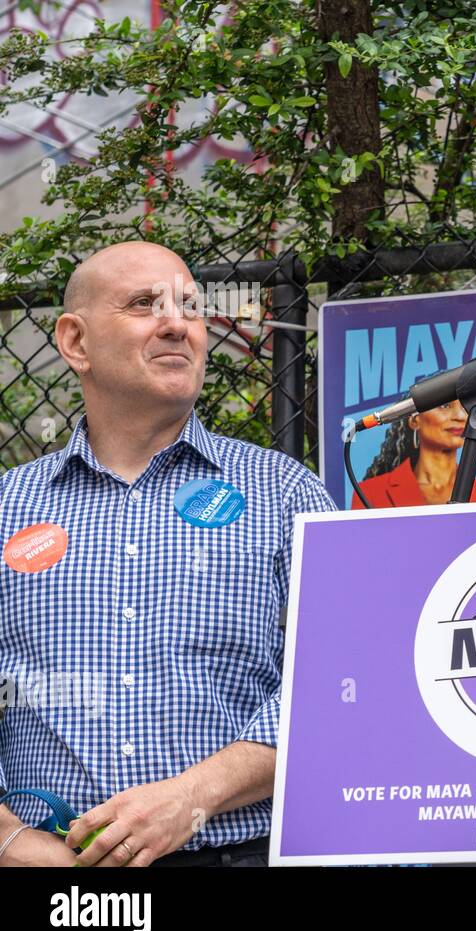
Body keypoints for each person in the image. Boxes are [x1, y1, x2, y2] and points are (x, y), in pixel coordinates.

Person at [0, 241, 336, 867]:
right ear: (75, 343)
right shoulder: (6, 509)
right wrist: (10, 841)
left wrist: (192, 798)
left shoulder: (286, 494)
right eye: (143, 304)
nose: (177, 323)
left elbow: (343, 680)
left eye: (189, 306)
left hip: (238, 855)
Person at [350, 402, 476, 507]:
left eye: (465, 407)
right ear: (415, 420)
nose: (460, 416)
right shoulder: (370, 493)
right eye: (445, 406)